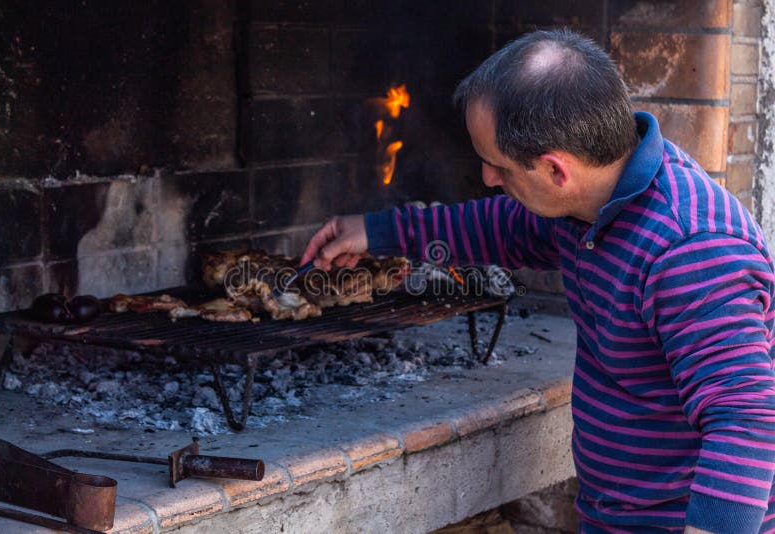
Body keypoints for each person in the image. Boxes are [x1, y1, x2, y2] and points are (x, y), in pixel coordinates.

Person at [300, 29, 775, 534]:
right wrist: (375, 232)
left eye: (497, 167)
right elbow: (496, 227)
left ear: (555, 169)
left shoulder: (689, 250)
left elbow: (745, 422)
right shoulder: (590, 203)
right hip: (612, 515)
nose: (487, 178)